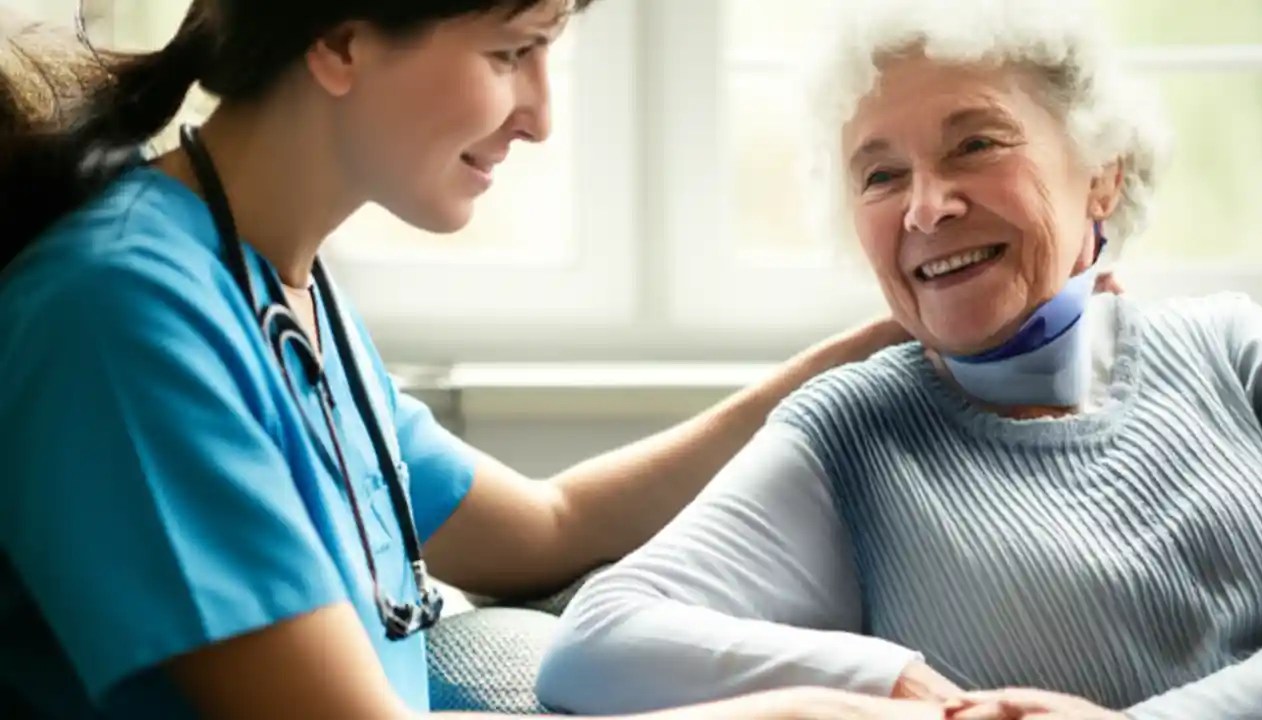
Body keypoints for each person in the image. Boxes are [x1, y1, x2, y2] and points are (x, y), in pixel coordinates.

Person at [0, 1, 959, 719]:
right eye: (512, 54)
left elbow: (545, 525)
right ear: (339, 40)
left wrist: (853, 357)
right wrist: (780, 709)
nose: (540, 116)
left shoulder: (276, 281)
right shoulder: (123, 319)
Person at [534, 1, 1262, 719]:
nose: (926, 207)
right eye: (881, 176)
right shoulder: (852, 432)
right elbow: (596, 644)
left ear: (1102, 173)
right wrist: (892, 685)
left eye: (976, 144)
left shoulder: (1231, 347)